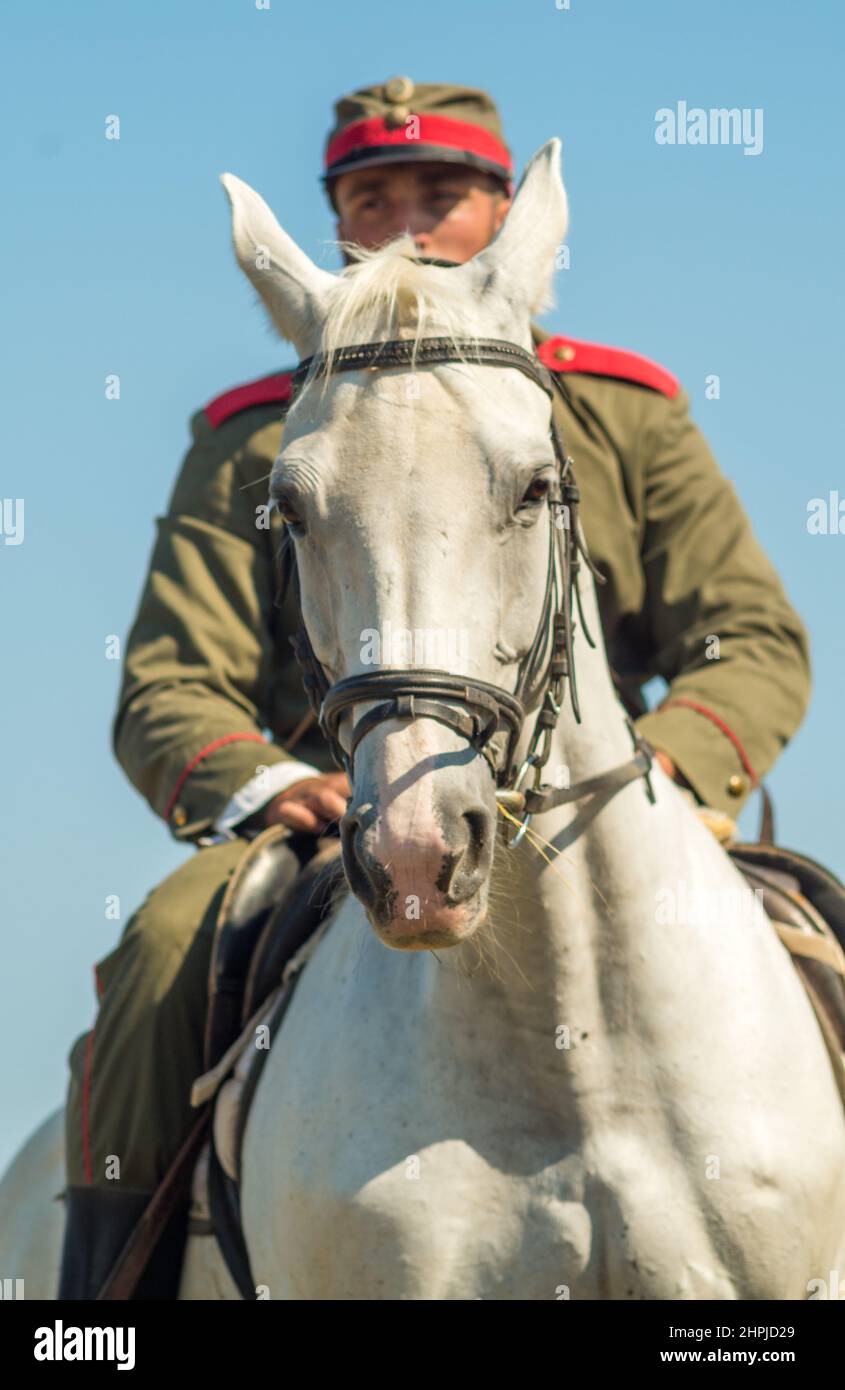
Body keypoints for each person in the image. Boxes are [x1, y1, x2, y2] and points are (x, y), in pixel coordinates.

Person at [57, 77, 810, 1298]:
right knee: (156, 950)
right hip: (339, 804)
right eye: (371, 197)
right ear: (333, 222)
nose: (405, 223)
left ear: (507, 214)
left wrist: (672, 760)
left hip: (609, 793)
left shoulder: (622, 409)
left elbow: (748, 632)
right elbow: (168, 682)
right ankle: (106, 1307)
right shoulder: (254, 435)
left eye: (440, 195)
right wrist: (268, 782)